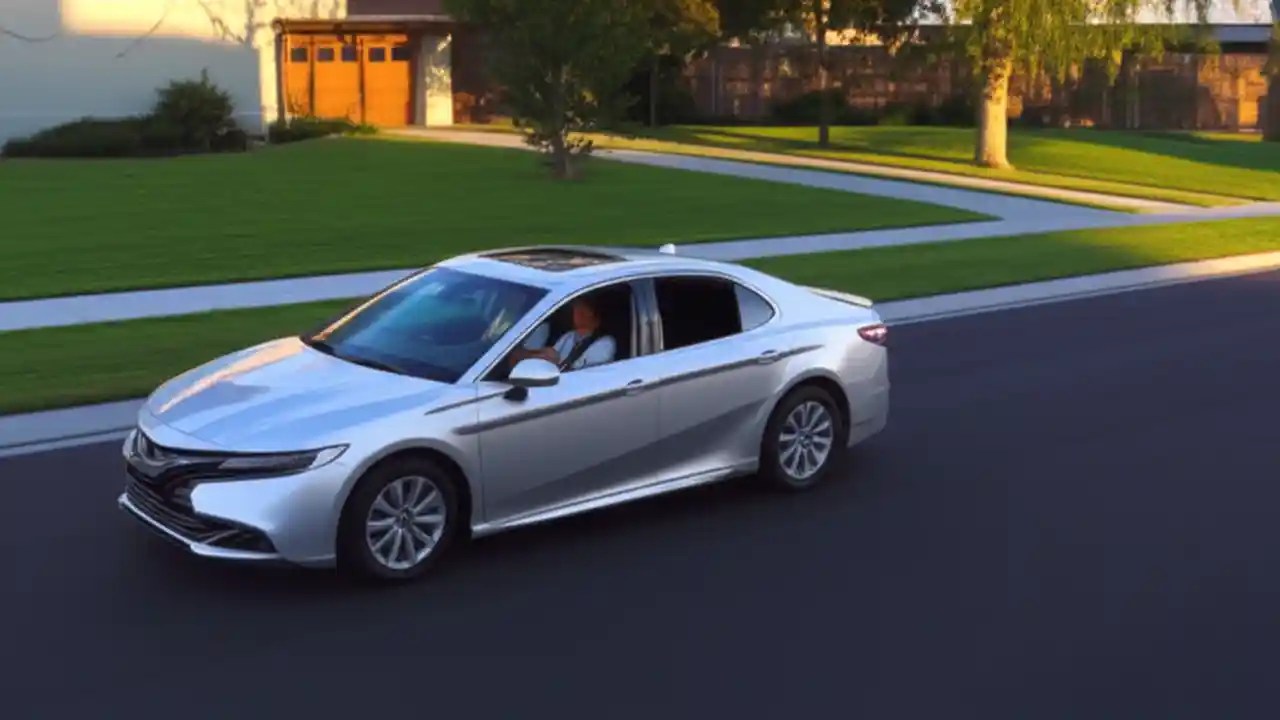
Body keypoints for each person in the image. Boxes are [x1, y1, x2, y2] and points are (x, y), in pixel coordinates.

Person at [509, 296, 616, 371]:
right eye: (576, 309)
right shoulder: (569, 336)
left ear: (595, 315)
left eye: (584, 309)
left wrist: (554, 361)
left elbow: (582, 372)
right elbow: (552, 355)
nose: (577, 312)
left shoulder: (606, 343)